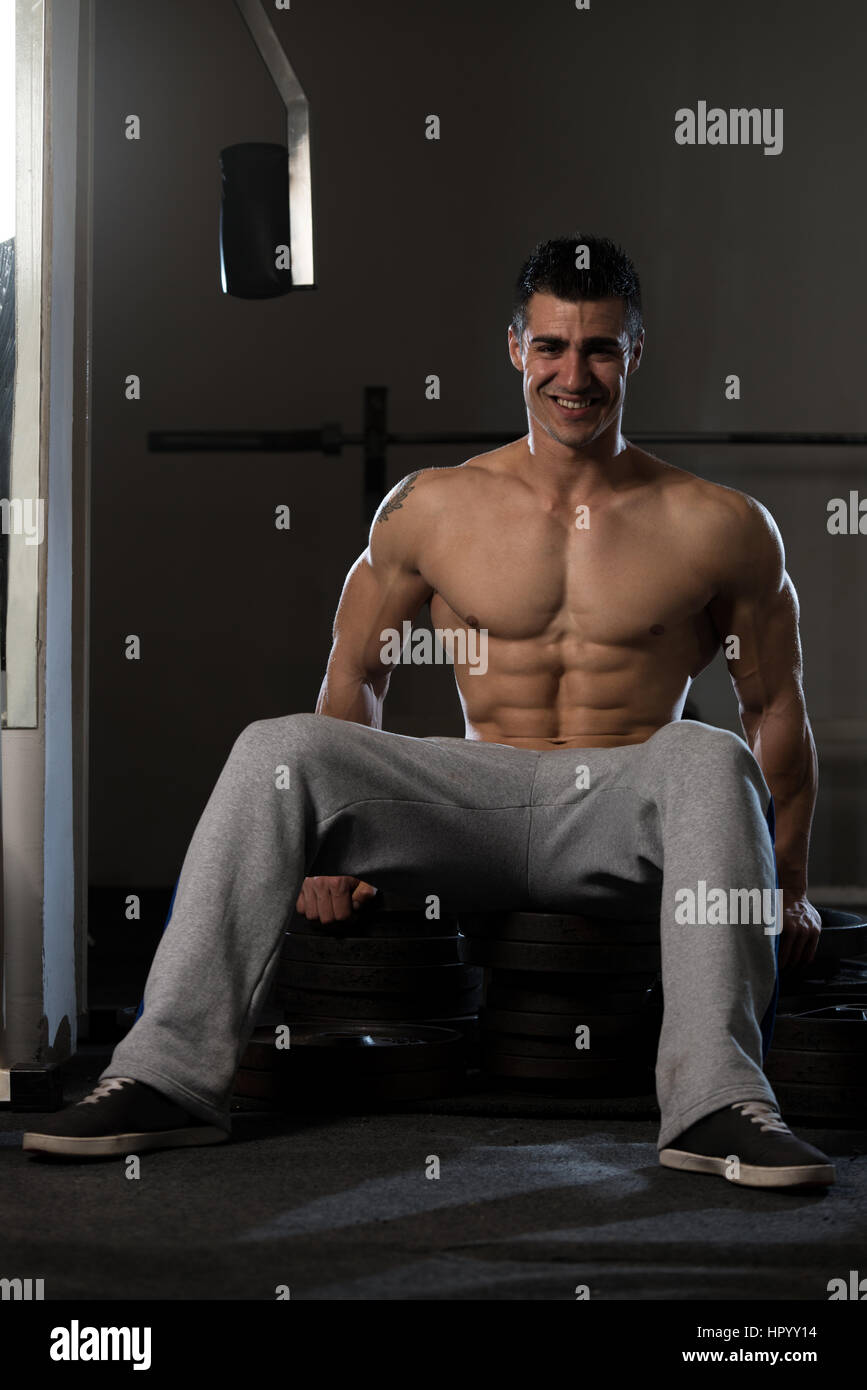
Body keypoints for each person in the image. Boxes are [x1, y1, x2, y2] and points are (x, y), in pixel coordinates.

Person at [24, 234, 833, 1189]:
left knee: (704, 753)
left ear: (635, 353)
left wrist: (780, 885)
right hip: (473, 800)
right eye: (551, 348)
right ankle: (164, 1079)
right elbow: (354, 677)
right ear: (513, 350)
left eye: (600, 349)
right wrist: (327, 849)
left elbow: (772, 707)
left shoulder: (719, 524)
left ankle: (714, 1106)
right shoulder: (430, 508)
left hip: (626, 804)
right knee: (279, 747)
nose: (574, 374)